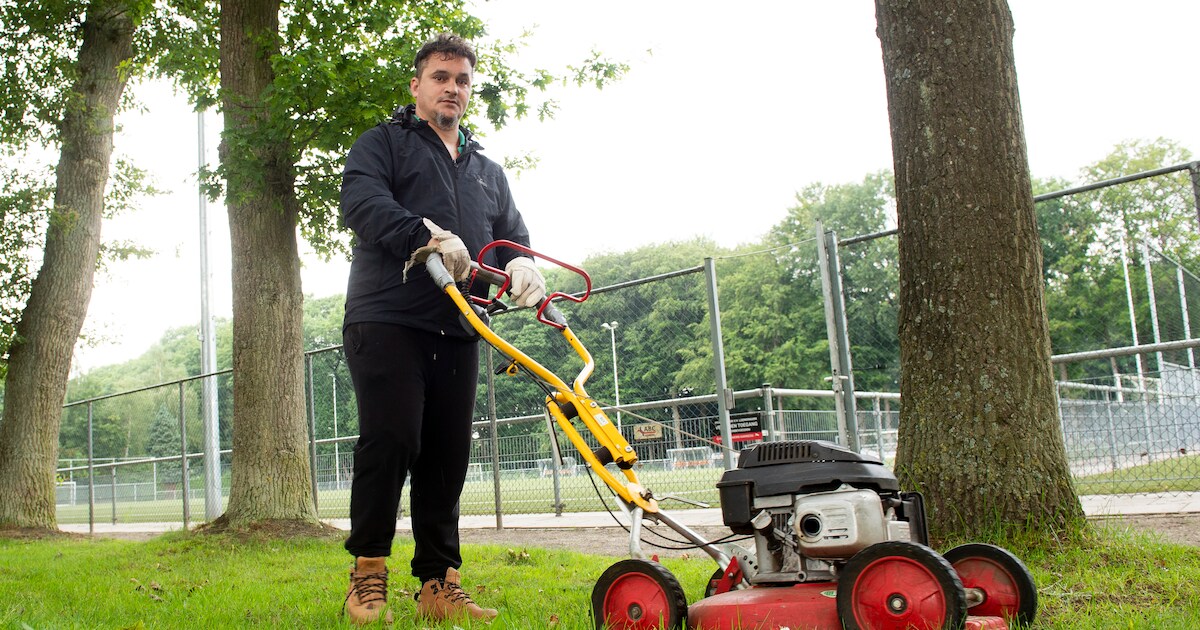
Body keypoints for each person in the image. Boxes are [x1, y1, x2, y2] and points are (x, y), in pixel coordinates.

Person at [338, 32, 545, 625]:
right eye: (441, 77)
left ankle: (438, 583)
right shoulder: (384, 144)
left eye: (461, 81)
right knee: (395, 438)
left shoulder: (487, 171)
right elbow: (361, 200)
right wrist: (422, 235)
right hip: (388, 314)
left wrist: (520, 263)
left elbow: (511, 235)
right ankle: (368, 573)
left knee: (448, 455)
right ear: (417, 85)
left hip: (460, 322)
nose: (452, 88)